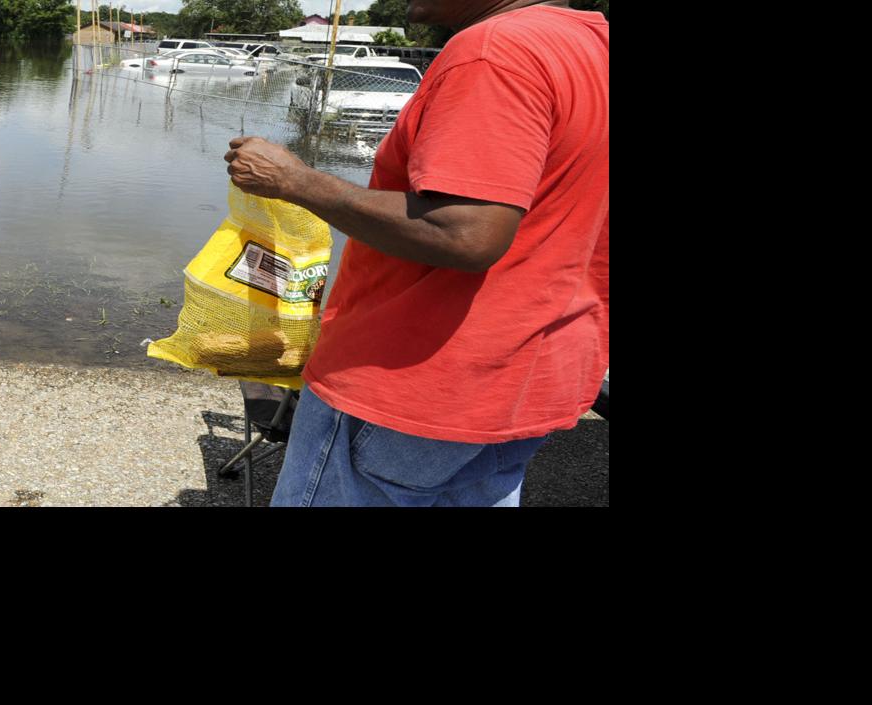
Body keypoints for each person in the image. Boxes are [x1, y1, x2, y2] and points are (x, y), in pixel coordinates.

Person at [223, 1, 608, 506]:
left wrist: (294, 181)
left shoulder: (495, 51)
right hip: (532, 384)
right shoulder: (593, 44)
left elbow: (466, 233)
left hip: (412, 386)